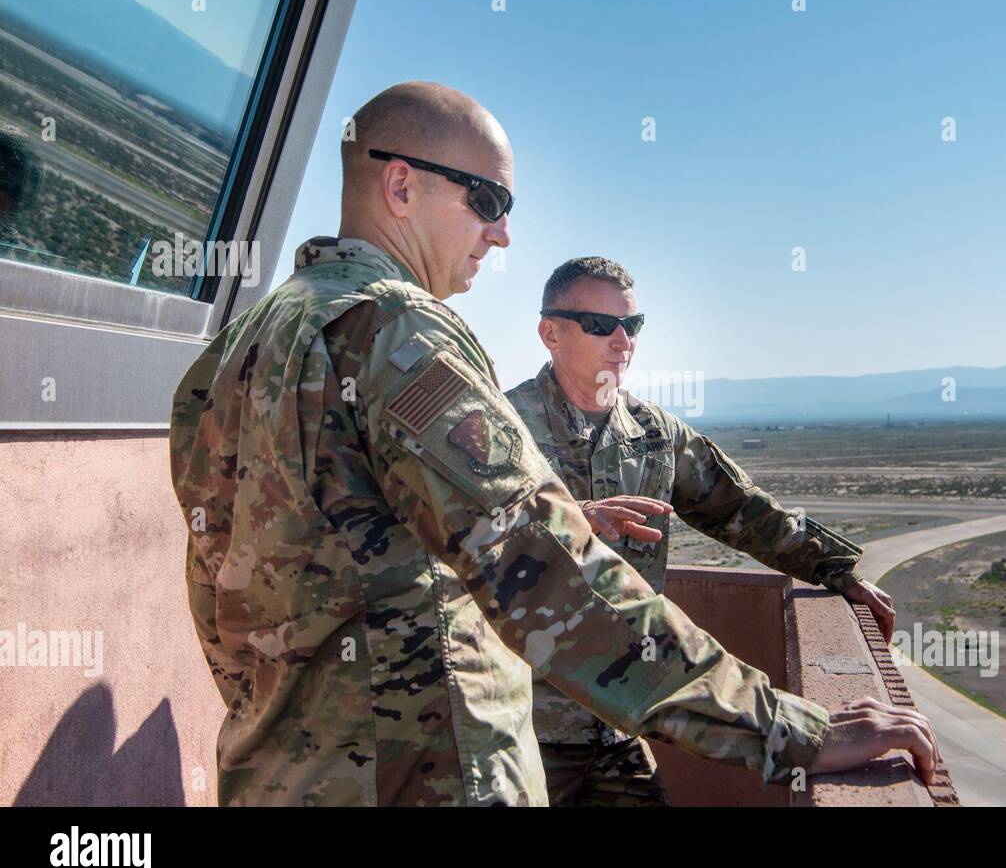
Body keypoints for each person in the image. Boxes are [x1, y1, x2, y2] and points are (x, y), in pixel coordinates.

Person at [169, 81, 939, 806]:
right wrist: (786, 728)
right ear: (401, 187)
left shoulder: (237, 346)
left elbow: (217, 591)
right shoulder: (395, 333)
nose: (503, 234)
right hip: (419, 778)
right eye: (488, 200)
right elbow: (542, 566)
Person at [505, 256, 898, 806]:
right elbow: (456, 540)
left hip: (621, 718)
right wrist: (569, 521)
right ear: (550, 332)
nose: (622, 341)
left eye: (632, 325)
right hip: (523, 729)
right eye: (600, 325)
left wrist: (835, 568)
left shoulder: (653, 436)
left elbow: (743, 511)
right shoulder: (503, 430)